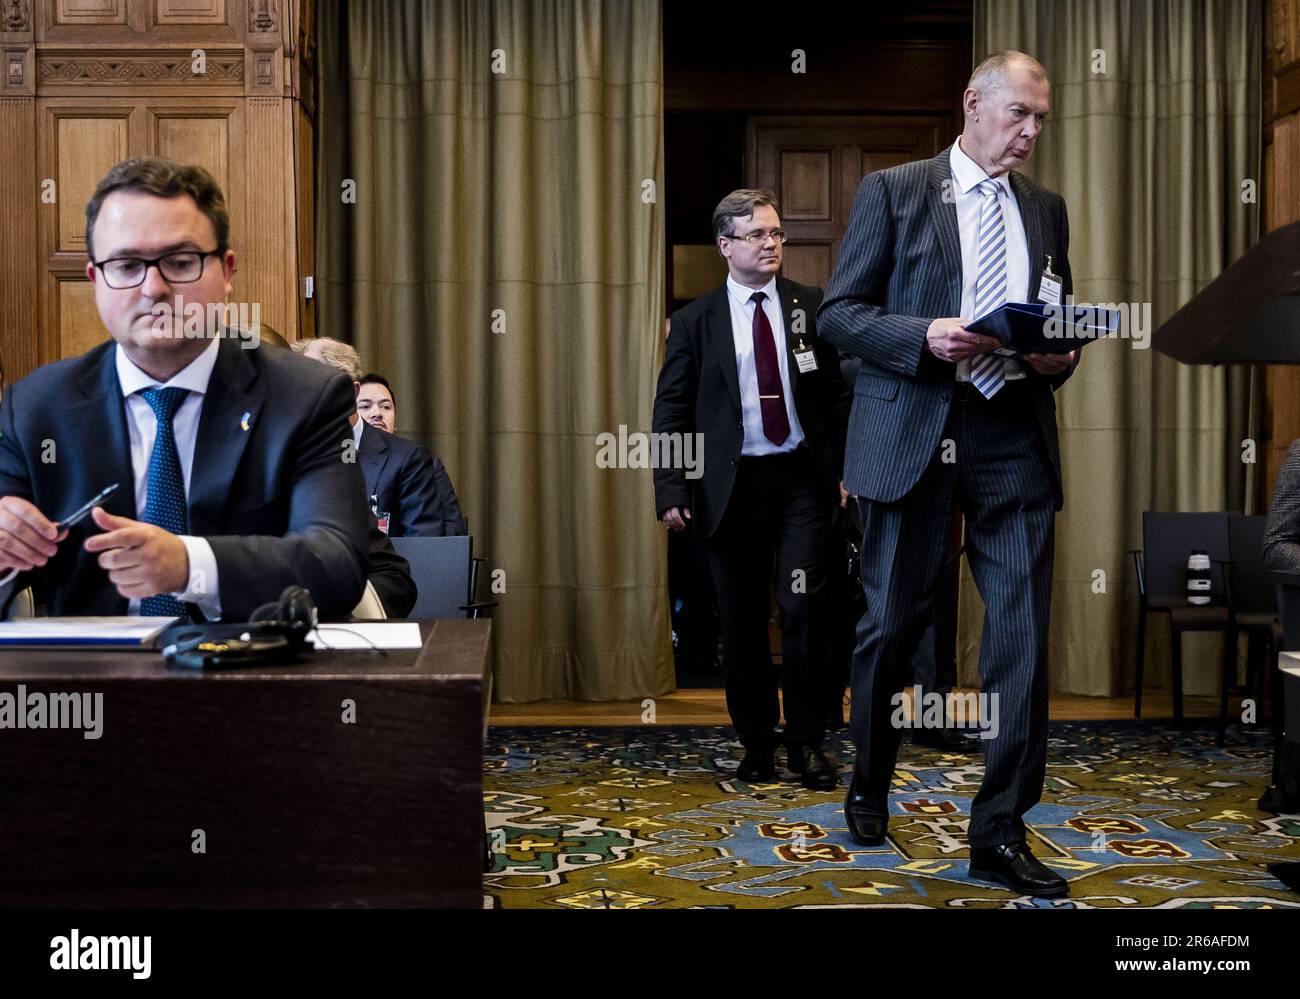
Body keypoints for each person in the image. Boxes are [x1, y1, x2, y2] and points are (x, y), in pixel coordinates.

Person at [818, 51, 1078, 897]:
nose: (1031, 132)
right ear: (973, 103)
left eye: (1041, 119)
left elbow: (1052, 319)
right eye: (1019, 115)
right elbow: (841, 316)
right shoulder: (896, 191)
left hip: (1012, 436)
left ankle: (998, 831)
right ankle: (869, 779)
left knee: (1020, 642)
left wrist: (1054, 355)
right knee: (890, 626)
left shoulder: (1047, 209)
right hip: (914, 431)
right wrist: (923, 336)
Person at [0, 157, 370, 620]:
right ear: (96, 279)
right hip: (90, 682)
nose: (153, 287)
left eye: (180, 262)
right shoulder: (36, 407)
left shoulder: (305, 396)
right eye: (127, 264)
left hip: (255, 677)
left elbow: (336, 564)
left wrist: (190, 565)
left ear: (227, 271)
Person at [653, 188, 850, 790]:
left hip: (800, 482)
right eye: (758, 234)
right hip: (730, 488)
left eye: (777, 234)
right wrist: (670, 489)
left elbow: (837, 396)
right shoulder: (695, 321)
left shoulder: (809, 307)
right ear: (726, 245)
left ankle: (809, 742)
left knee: (803, 609)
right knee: (740, 622)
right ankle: (758, 743)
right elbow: (672, 408)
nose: (771, 244)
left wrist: (849, 469)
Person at [294, 339, 467, 537]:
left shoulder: (407, 459)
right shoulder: (287, 453)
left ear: (351, 392)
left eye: (315, 386)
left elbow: (423, 548)